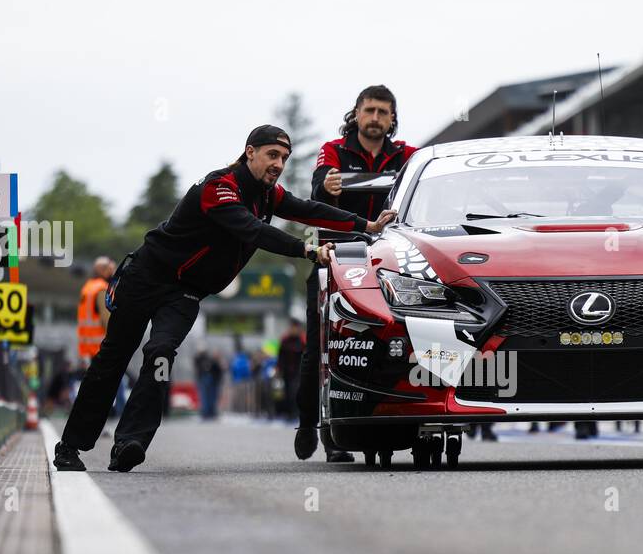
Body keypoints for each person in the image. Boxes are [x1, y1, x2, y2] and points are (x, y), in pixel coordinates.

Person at [53, 124, 394, 472]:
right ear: (250, 152)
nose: (279, 164)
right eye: (272, 155)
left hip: (185, 291)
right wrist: (307, 249)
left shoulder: (268, 195)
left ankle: (130, 442)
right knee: (113, 357)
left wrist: (365, 225)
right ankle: (70, 446)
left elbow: (307, 209)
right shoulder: (219, 187)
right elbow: (254, 231)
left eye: (285, 158)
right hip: (146, 278)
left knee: (159, 354)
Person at [296, 85, 418, 462]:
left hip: (392, 263)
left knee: (393, 340)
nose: (376, 118)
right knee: (322, 345)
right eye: (370, 111)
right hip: (336, 258)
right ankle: (313, 426)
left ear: (392, 118)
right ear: (357, 113)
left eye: (383, 112)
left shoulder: (409, 155)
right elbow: (316, 192)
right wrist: (326, 186)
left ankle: (398, 418)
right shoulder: (333, 150)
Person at [76, 256, 115, 365]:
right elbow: (108, 321)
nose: (113, 273)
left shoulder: (87, 288)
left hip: (86, 352)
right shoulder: (102, 289)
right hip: (101, 351)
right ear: (103, 271)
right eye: (111, 270)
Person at [276, 319, 305, 422]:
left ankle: (295, 413)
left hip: (298, 372)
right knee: (287, 393)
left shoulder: (302, 340)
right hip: (287, 372)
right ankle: (289, 413)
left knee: (295, 392)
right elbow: (280, 356)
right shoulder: (285, 340)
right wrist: (279, 369)